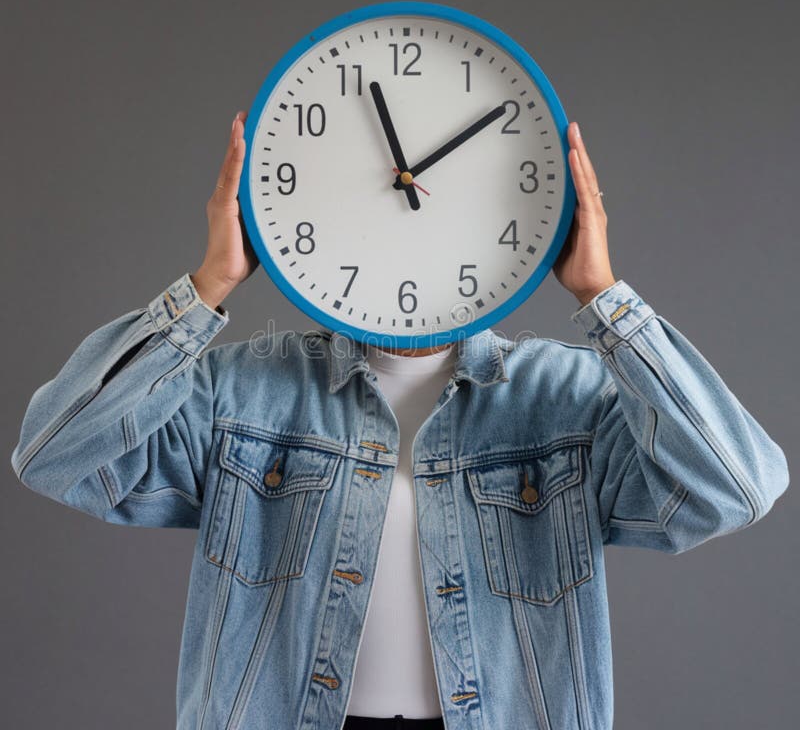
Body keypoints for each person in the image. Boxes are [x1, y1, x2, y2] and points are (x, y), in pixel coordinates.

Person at [10, 111, 789, 730]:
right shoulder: (241, 390)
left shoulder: (566, 398)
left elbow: (739, 487)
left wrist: (604, 299)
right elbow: (54, 455)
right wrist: (206, 287)